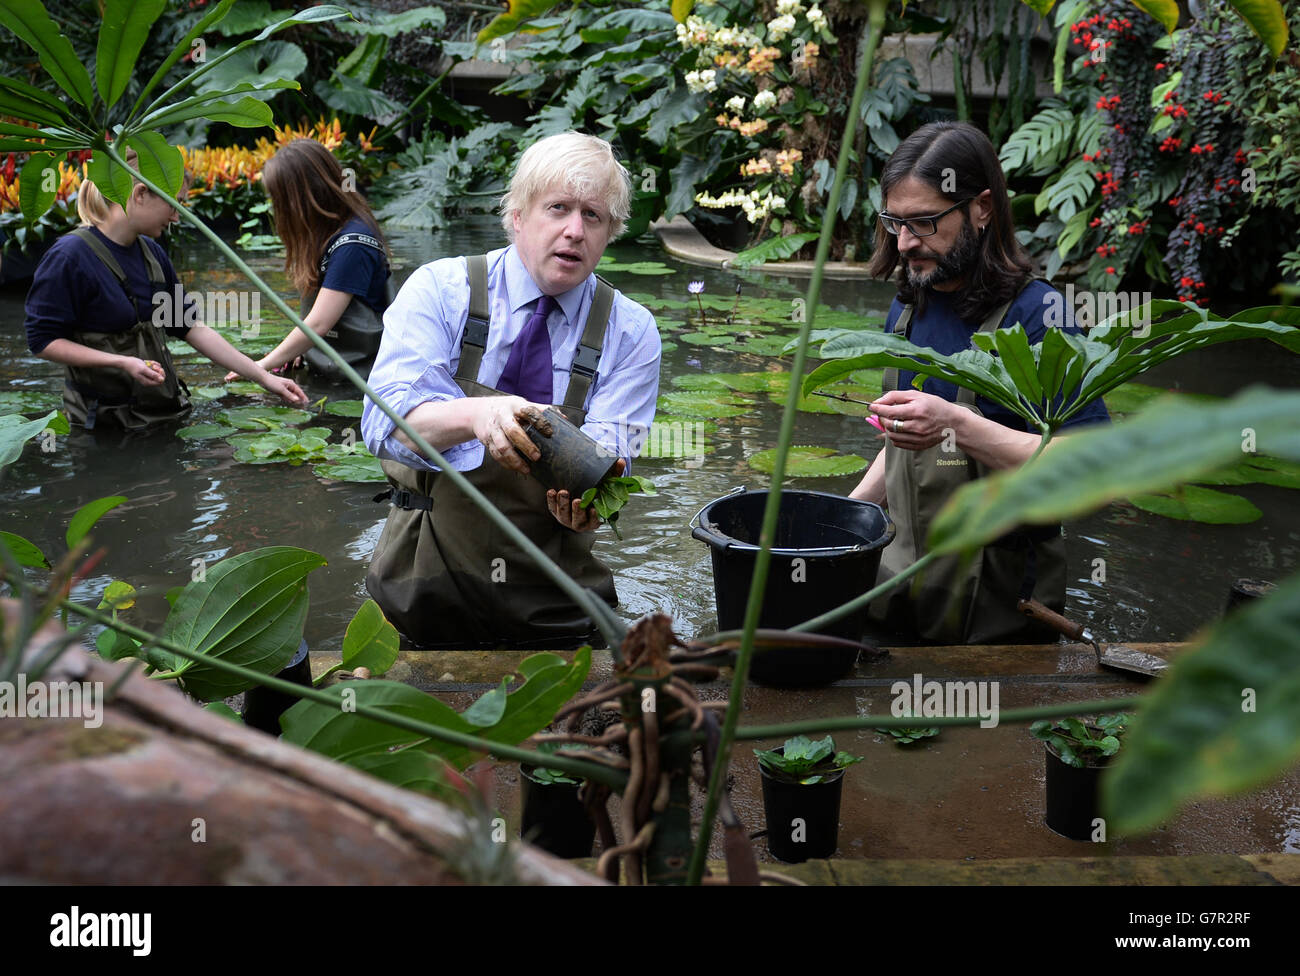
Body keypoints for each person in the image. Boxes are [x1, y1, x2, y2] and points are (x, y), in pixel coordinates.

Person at [361, 131, 661, 649]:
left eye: (593, 216)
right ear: (518, 215)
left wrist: (597, 501)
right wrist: (479, 416)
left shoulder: (632, 331)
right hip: (417, 595)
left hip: (555, 607)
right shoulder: (441, 289)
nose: (574, 230)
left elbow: (616, 461)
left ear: (611, 231)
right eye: (558, 208)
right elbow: (386, 425)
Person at [850, 121, 1110, 645]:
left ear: (982, 208)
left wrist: (957, 425)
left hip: (995, 608)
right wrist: (847, 519)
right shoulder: (907, 307)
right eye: (894, 223)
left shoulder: (1043, 317)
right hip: (899, 584)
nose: (904, 243)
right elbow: (898, 449)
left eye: (924, 223)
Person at [25, 151, 307, 430]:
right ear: (140, 194)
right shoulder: (70, 257)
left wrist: (264, 378)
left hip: (158, 414)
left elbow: (191, 328)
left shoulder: (153, 256)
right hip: (102, 427)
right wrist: (122, 362)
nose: (176, 217)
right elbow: (42, 342)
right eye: (174, 204)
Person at [225, 138, 392, 383]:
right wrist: (297, 349)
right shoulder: (329, 231)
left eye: (278, 200)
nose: (275, 208)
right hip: (332, 364)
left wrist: (259, 367)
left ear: (302, 198)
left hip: (361, 377)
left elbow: (318, 324)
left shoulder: (353, 244)